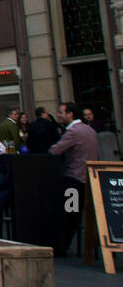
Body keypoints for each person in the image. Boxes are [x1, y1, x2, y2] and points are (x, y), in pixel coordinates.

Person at [50, 102, 99, 256]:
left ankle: (62, 246)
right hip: (90, 179)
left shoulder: (73, 132)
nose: (59, 115)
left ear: (70, 114)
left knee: (69, 213)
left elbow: (55, 150)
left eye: (61, 112)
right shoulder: (89, 130)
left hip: (74, 179)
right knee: (77, 214)